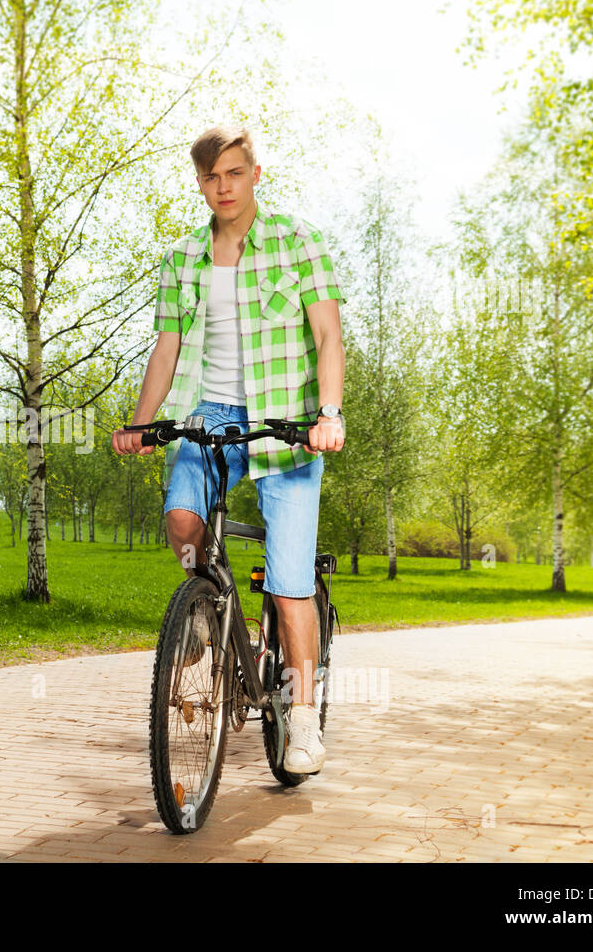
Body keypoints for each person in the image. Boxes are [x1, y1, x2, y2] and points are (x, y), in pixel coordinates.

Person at [111, 125, 346, 775]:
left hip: (289, 422)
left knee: (292, 582)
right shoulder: (182, 259)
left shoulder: (297, 244)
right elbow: (168, 349)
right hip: (211, 416)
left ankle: (300, 722)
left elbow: (328, 335)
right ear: (200, 183)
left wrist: (328, 413)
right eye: (212, 177)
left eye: (235, 173)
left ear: (255, 174)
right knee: (184, 523)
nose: (224, 187)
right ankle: (211, 622)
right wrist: (142, 423)